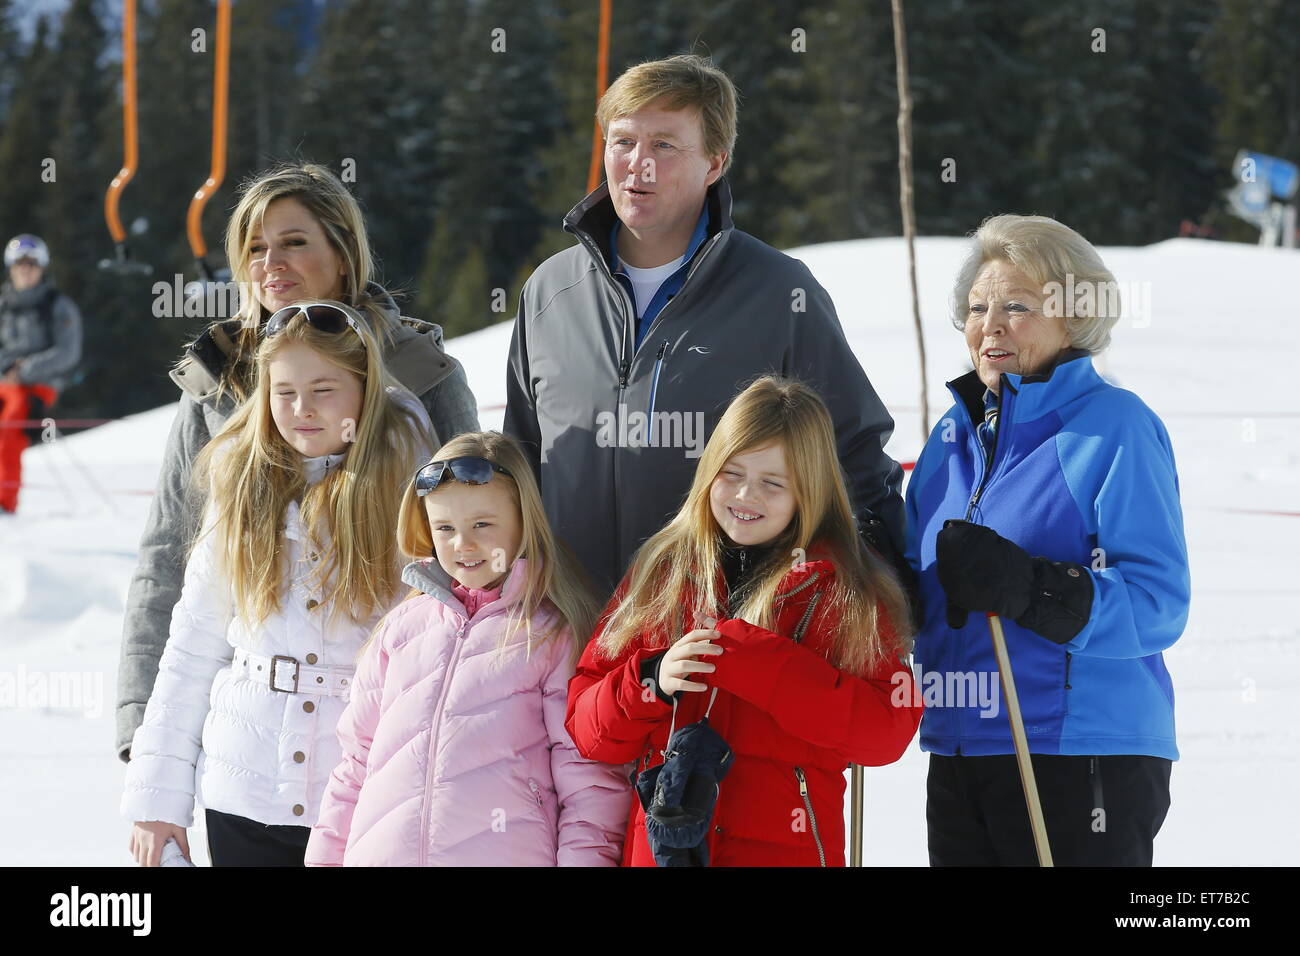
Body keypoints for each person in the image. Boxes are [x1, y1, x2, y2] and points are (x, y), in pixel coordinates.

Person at [504, 54, 905, 600]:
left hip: (716, 638)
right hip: (565, 635)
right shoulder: (550, 292)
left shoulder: (778, 293)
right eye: (623, 142)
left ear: (714, 162)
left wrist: (879, 588)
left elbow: (852, 457)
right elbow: (520, 459)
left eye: (664, 145)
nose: (638, 164)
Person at [116, 163, 480, 764]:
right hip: (247, 734)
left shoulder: (420, 374)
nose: (270, 263)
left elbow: (475, 559)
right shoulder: (218, 381)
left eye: (293, 242)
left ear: (343, 254)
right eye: (255, 248)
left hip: (387, 727)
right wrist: (144, 724)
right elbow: (168, 552)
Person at [905, 214, 1190, 866]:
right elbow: (915, 578)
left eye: (1017, 306)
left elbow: (1158, 601)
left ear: (1075, 317)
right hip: (959, 747)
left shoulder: (1115, 426)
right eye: (977, 307)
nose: (991, 324)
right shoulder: (953, 436)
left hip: (1080, 752)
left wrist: (1033, 588)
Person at [122, 301, 435, 866]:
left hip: (355, 795)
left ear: (365, 391)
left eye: (323, 389)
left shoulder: (412, 494)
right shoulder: (240, 488)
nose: (302, 410)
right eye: (284, 391)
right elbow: (192, 648)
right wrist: (157, 798)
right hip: (242, 788)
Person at [566, 376, 922, 867]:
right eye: (731, 473)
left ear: (809, 491)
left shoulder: (840, 589)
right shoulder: (665, 572)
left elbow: (886, 731)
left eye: (773, 483)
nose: (746, 495)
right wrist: (652, 680)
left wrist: (759, 663)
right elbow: (588, 730)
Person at [306, 432, 630, 866]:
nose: (463, 544)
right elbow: (355, 765)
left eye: (482, 524)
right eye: (445, 528)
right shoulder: (401, 629)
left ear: (525, 521)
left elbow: (588, 784)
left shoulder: (553, 636)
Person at [0, 234, 83, 514]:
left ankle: (4, 502)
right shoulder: (4, 305)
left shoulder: (57, 306)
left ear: (42, 267)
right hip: (5, 381)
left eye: (32, 263)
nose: (26, 269)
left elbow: (68, 352)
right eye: (20, 263)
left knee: (8, 429)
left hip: (39, 385)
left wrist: (25, 370)